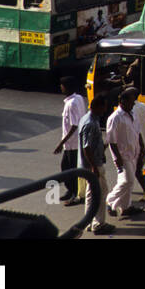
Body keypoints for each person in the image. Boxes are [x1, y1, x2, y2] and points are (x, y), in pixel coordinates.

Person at [105, 88, 144, 218]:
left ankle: (126, 207)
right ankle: (110, 200)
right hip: (123, 155)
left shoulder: (133, 113)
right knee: (127, 180)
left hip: (134, 152)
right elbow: (111, 140)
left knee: (129, 182)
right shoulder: (114, 118)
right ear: (123, 101)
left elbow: (138, 132)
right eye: (131, 102)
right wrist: (117, 158)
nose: (133, 105)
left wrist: (142, 148)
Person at [78, 95, 113, 235]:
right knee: (100, 192)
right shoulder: (90, 123)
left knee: (92, 194)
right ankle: (98, 224)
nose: (105, 110)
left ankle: (89, 221)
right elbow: (86, 147)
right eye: (103, 107)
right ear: (97, 106)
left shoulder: (92, 120)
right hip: (94, 165)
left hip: (94, 162)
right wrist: (93, 166)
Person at [53, 76, 87, 205]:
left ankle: (74, 193)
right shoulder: (78, 98)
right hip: (74, 143)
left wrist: (61, 143)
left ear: (66, 87)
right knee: (68, 168)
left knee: (68, 169)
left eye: (62, 86)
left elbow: (74, 125)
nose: (60, 88)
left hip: (72, 144)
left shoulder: (71, 104)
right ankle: (71, 190)